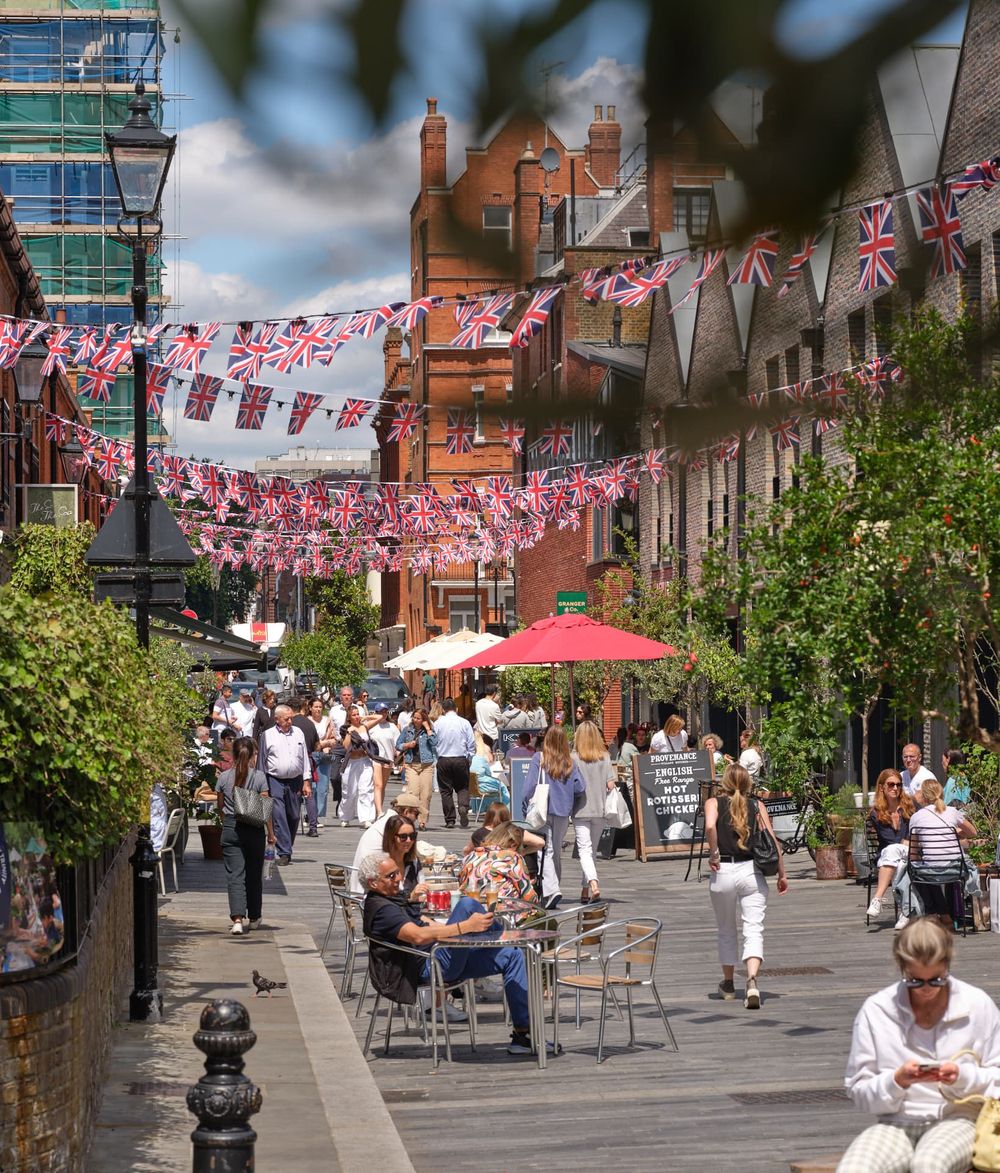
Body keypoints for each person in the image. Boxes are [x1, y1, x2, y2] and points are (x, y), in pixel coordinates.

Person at [837, 917, 1000, 1173]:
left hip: (957, 1117)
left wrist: (961, 1076)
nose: (926, 989)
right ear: (901, 967)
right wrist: (896, 1081)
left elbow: (997, 1078)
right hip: (895, 1121)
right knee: (855, 1167)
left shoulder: (977, 1005)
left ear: (947, 965)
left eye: (936, 980)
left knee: (928, 1164)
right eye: (915, 981)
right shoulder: (877, 1009)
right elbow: (858, 1088)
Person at [360, 851, 547, 1054]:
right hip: (427, 966)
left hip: (438, 956)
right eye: (391, 876)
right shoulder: (381, 909)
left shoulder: (393, 898)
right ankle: (504, 935)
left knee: (512, 955)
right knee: (467, 904)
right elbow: (418, 936)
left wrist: (452, 927)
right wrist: (465, 926)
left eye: (398, 872)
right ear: (373, 883)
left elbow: (423, 923)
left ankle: (523, 1034)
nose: (398, 878)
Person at [705, 764, 788, 1009]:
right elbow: (772, 841)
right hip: (751, 871)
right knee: (754, 928)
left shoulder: (713, 803)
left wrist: (714, 853)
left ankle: (729, 984)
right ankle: (752, 980)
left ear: (725, 782)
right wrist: (782, 874)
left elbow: (710, 826)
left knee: (726, 929)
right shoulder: (756, 806)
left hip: (723, 870)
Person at [521, 726, 586, 909]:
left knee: (544, 850)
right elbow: (580, 787)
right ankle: (553, 888)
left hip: (543, 810)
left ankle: (552, 890)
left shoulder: (539, 758)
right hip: (563, 812)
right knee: (555, 850)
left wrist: (525, 807)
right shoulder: (570, 762)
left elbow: (528, 787)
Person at [216, 736, 276, 935]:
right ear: (252, 756)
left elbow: (220, 806)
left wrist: (227, 822)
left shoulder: (224, 777)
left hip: (231, 827)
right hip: (254, 830)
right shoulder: (259, 777)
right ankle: (255, 916)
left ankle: (237, 919)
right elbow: (265, 809)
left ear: (233, 755)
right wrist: (271, 834)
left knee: (235, 876)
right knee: (253, 875)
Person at [907, 778, 978, 919]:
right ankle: (950, 916)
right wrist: (955, 832)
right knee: (943, 868)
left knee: (918, 871)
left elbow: (913, 854)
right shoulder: (952, 812)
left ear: (923, 796)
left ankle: (937, 913)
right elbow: (973, 832)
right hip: (955, 869)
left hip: (931, 870)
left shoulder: (916, 817)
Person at [570, 719, 619, 903]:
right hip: (600, 809)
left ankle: (593, 883)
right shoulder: (604, 756)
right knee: (591, 851)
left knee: (584, 850)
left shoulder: (574, 758)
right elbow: (611, 784)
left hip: (580, 809)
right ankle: (585, 890)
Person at [257, 705, 311, 866]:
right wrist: (262, 785)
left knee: (294, 816)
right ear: (277, 719)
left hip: (295, 780)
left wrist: (306, 781)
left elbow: (305, 758)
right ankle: (284, 852)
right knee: (279, 815)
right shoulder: (267, 735)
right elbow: (261, 761)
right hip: (275, 780)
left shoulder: (298, 732)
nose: (290, 721)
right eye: (286, 719)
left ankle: (287, 845)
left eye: (291, 718)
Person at [865, 769, 917, 930]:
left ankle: (878, 898)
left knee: (894, 852)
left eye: (898, 785)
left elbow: (913, 834)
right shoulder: (876, 813)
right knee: (897, 860)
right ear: (882, 787)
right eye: (891, 784)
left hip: (909, 852)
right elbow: (890, 839)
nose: (895, 788)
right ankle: (906, 912)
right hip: (890, 856)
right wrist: (905, 840)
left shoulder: (909, 807)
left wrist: (906, 841)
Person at [349, 789, 428, 895]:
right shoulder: (392, 824)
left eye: (412, 836)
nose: (416, 819)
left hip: (362, 880)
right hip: (371, 886)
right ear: (406, 812)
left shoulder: (384, 819)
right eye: (416, 814)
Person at [458, 823, 538, 911]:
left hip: (468, 911)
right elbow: (528, 895)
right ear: (513, 844)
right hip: (500, 913)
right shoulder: (511, 857)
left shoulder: (470, 856)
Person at [433, 697, 475, 828]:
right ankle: (463, 806)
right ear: (456, 709)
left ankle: (450, 819)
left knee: (446, 791)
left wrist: (437, 756)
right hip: (460, 758)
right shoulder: (464, 722)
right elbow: (471, 742)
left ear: (443, 710)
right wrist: (470, 757)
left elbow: (433, 742)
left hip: (444, 759)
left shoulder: (438, 723)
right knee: (463, 787)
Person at [339, 705, 381, 828]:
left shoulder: (364, 726)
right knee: (349, 792)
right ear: (349, 717)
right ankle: (345, 817)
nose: (357, 717)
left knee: (366, 790)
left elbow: (379, 717)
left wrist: (366, 717)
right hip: (352, 762)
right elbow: (346, 746)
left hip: (365, 761)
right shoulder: (347, 729)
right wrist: (349, 733)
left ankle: (366, 818)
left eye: (357, 714)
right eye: (354, 715)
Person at [395, 708, 437, 829]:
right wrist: (407, 745)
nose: (416, 720)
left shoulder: (428, 730)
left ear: (424, 719)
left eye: (419, 718)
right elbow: (398, 745)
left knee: (426, 794)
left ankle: (422, 821)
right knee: (413, 793)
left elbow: (434, 742)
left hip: (426, 765)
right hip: (411, 765)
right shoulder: (407, 730)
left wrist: (428, 729)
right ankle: (410, 819)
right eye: (414, 717)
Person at [382, 814, 427, 898]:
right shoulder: (381, 864)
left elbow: (423, 892)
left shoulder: (414, 862)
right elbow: (379, 900)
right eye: (403, 837)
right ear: (391, 837)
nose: (409, 840)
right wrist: (410, 897)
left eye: (412, 836)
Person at [308, 696, 336, 828]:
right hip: (311, 755)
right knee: (311, 786)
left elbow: (334, 739)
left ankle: (317, 816)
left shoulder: (327, 721)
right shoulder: (307, 721)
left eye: (320, 707)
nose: (318, 709)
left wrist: (324, 743)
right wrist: (320, 744)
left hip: (324, 755)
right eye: (315, 707)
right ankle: (309, 815)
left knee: (323, 788)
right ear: (310, 708)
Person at [369, 703, 400, 818]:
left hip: (388, 759)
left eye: (385, 711)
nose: (383, 714)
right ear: (376, 713)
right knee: (378, 785)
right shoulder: (371, 726)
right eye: (380, 712)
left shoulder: (392, 727)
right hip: (375, 759)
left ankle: (377, 810)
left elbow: (398, 744)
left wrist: (399, 758)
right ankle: (379, 812)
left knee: (382, 787)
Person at [475, 684, 503, 749]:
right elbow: (500, 721)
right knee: (491, 753)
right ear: (494, 693)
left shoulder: (478, 703)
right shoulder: (494, 706)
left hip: (481, 735)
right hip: (492, 735)